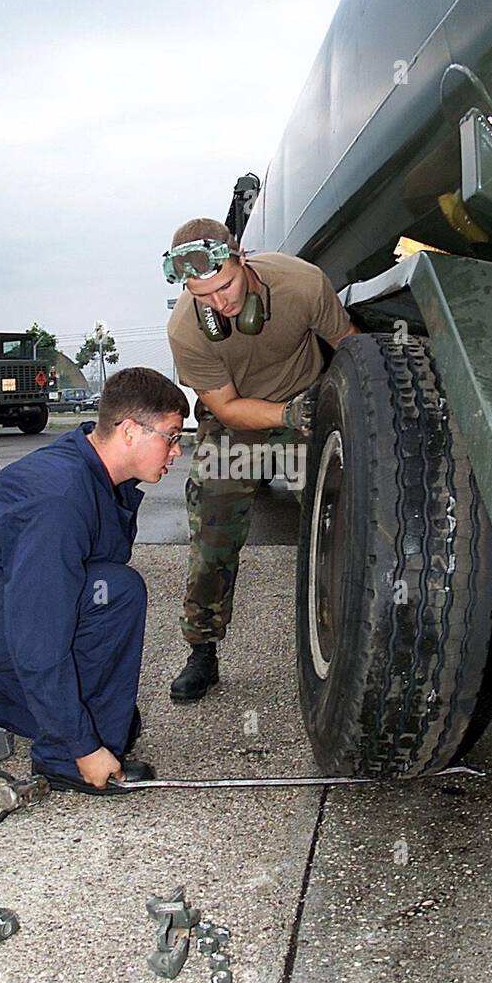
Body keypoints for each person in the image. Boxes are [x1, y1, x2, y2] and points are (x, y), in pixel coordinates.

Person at [0, 367, 188, 793]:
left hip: (5, 591)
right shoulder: (60, 498)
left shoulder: (100, 472)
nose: (177, 451)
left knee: (119, 719)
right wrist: (81, 747)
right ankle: (61, 761)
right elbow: (39, 631)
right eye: (172, 436)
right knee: (117, 596)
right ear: (127, 431)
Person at [164, 217, 359, 702]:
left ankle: (350, 646)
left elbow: (351, 345)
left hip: (307, 409)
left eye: (225, 284)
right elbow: (227, 406)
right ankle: (203, 651)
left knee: (340, 525)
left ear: (242, 255)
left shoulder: (302, 282)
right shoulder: (187, 330)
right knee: (213, 536)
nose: (220, 303)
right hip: (236, 425)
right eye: (202, 295)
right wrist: (288, 413)